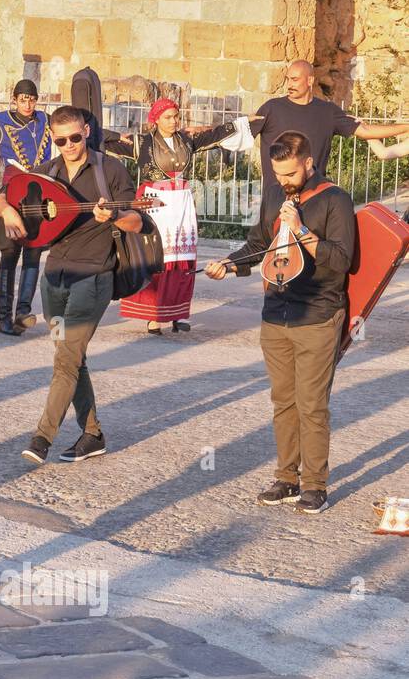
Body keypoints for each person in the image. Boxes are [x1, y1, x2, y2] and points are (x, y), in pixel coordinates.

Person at [205, 131, 356, 515]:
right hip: (275, 312)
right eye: (277, 173)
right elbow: (258, 244)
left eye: (290, 173)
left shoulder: (335, 199)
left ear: (308, 162)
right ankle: (287, 478)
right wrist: (230, 264)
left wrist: (304, 231)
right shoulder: (274, 194)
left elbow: (342, 260)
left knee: (312, 405)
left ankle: (315, 485)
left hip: (319, 312)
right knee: (283, 402)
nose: (283, 181)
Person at [0, 105, 143, 466]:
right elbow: (6, 193)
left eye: (75, 137)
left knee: (65, 361)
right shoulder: (50, 171)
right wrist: (7, 210)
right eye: (61, 140)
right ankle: (92, 434)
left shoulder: (110, 170)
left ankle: (42, 438)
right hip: (54, 282)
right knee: (69, 356)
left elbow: (137, 220)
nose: (69, 145)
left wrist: (115, 217)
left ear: (87, 131)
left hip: (93, 279)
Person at [106, 99, 255, 334]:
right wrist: (113, 133)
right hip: (154, 203)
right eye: (168, 117)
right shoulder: (141, 143)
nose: (174, 120)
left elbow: (217, 135)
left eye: (176, 116)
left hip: (181, 204)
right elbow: (96, 138)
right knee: (158, 257)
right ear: (155, 120)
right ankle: (154, 316)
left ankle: (177, 313)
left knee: (182, 260)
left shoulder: (187, 139)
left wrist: (249, 123)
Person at [253, 60, 409, 192]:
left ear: (310, 81)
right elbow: (234, 137)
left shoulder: (328, 112)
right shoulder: (272, 108)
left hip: (313, 195)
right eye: (288, 79)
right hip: (276, 196)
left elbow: (369, 136)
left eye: (295, 79)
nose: (289, 84)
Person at [0, 79, 51, 335]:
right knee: (9, 255)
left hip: (39, 192)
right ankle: (3, 318)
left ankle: (22, 312)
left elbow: (79, 126)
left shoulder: (46, 120)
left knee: (33, 255)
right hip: (12, 189)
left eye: (31, 99)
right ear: (14, 99)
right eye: (23, 99)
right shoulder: (0, 121)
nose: (28, 103)